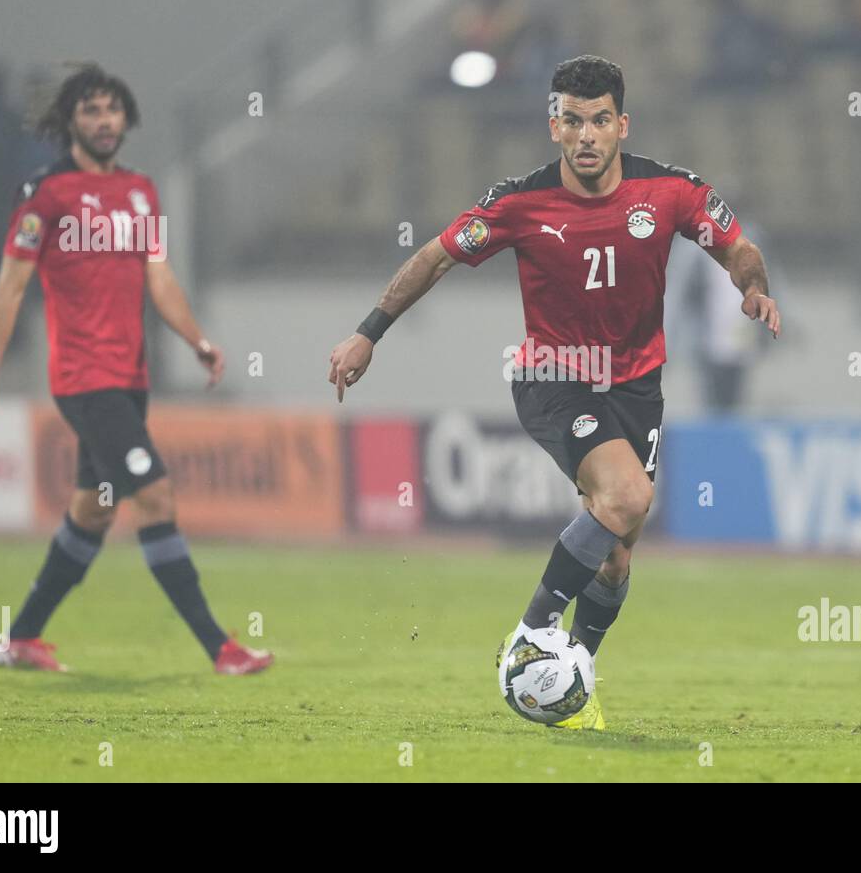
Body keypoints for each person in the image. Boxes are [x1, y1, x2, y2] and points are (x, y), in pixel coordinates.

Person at [327, 55, 780, 728]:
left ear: (622, 124)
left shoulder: (670, 192)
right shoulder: (518, 202)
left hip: (635, 387)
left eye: (599, 120)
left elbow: (736, 245)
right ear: (554, 126)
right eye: (572, 121)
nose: (587, 134)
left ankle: (576, 674)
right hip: (552, 377)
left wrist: (753, 286)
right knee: (627, 495)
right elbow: (435, 257)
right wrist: (369, 332)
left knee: (618, 554)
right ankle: (533, 632)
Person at [0, 64, 272, 675]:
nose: (104, 121)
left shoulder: (139, 191)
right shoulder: (45, 194)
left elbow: (159, 276)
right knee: (153, 494)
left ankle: (21, 638)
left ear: (126, 118)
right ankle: (221, 648)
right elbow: (9, 290)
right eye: (91, 110)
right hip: (83, 379)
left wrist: (196, 339)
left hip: (130, 380)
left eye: (112, 110)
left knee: (93, 509)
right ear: (70, 119)